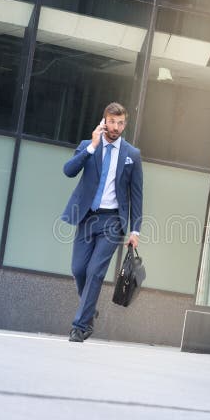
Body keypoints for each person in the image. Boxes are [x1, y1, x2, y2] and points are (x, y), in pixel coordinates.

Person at [60, 102, 143, 343]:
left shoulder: (132, 155)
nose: (115, 127)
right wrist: (92, 146)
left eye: (120, 123)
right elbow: (68, 171)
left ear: (124, 124)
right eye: (111, 122)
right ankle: (88, 310)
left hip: (112, 222)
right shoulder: (89, 146)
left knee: (95, 271)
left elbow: (137, 195)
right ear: (103, 121)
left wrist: (135, 229)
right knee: (78, 269)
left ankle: (80, 327)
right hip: (87, 218)